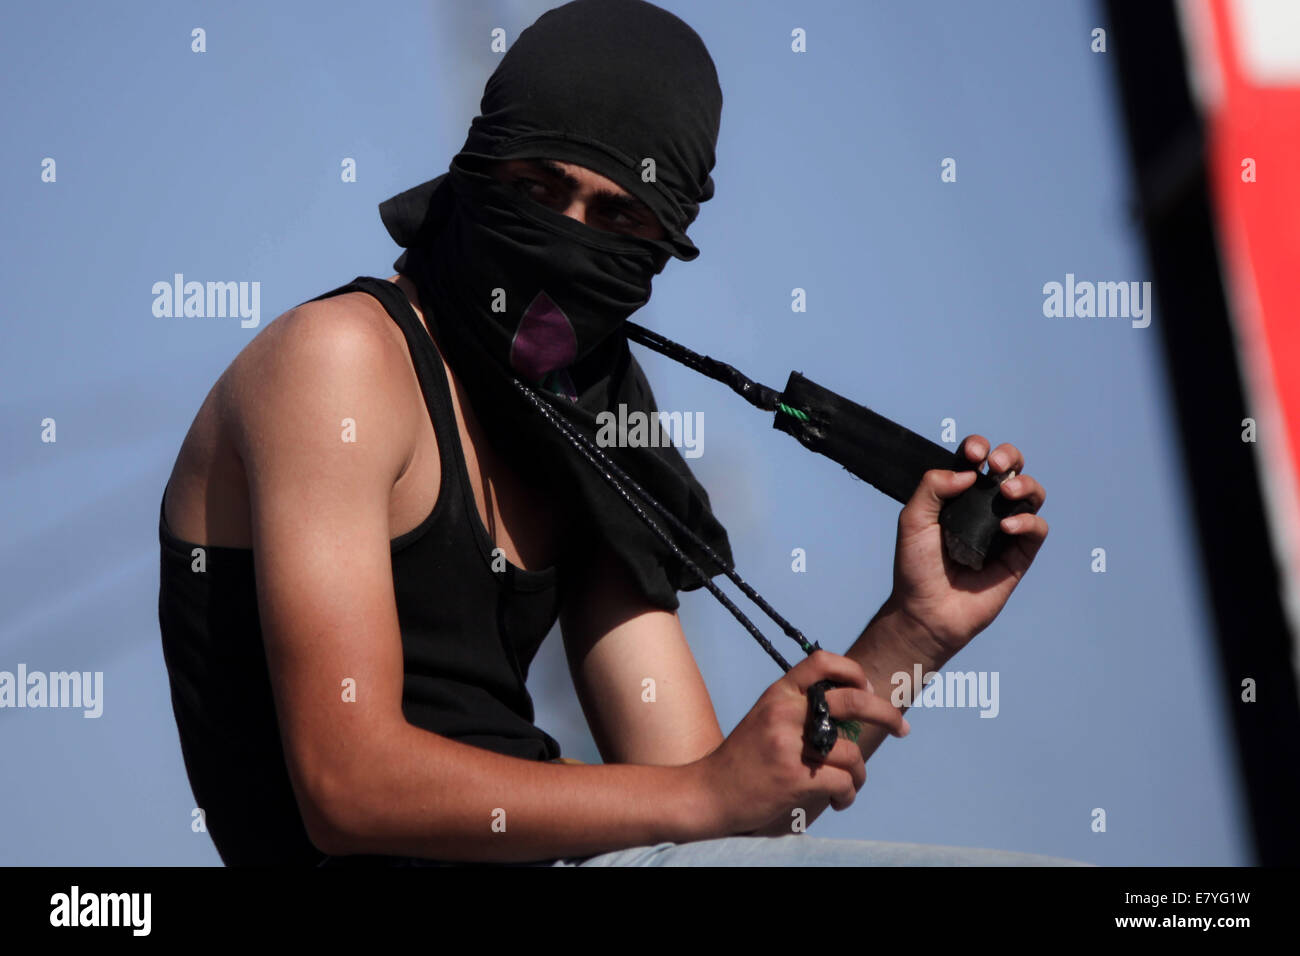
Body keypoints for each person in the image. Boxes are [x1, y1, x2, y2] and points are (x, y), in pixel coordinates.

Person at [157, 0, 1074, 867]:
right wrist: (707, 797)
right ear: (477, 167)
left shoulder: (582, 412)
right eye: (537, 186)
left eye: (618, 219)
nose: (565, 237)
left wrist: (917, 627)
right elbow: (345, 786)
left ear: (661, 247)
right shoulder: (340, 360)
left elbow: (730, 827)